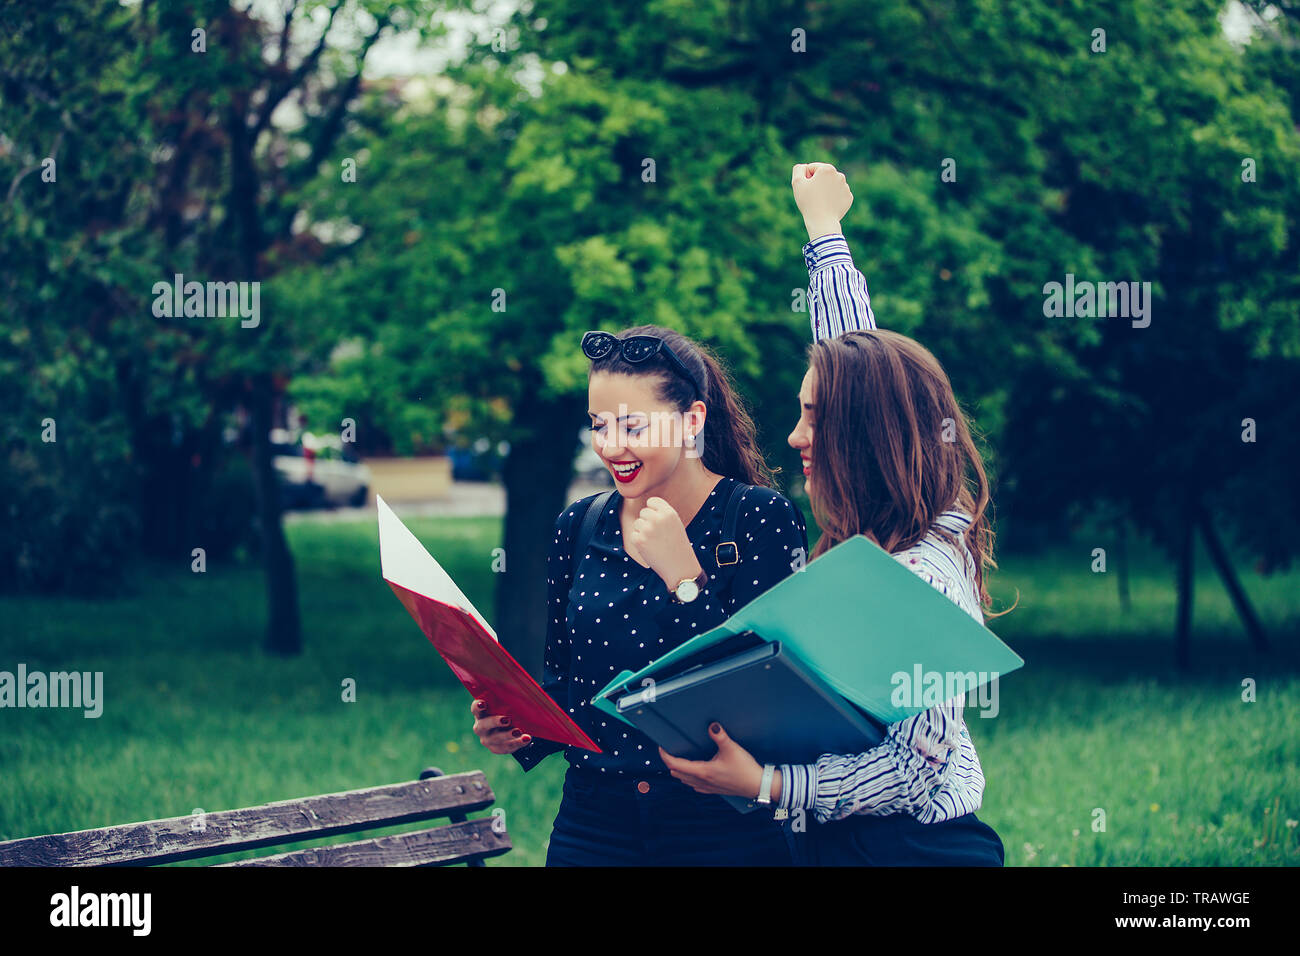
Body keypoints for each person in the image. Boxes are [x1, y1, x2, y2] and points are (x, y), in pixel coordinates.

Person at [659, 162, 1006, 866]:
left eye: (813, 418)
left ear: (862, 437)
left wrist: (767, 785)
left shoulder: (919, 583)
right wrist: (825, 233)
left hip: (911, 851)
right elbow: (862, 363)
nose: (793, 435)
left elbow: (917, 770)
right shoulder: (908, 513)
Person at [471, 323, 809, 866]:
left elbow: (772, 697)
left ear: (691, 421)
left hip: (722, 825)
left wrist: (685, 581)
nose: (611, 447)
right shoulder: (578, 526)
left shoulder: (757, 519)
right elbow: (569, 686)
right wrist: (520, 726)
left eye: (632, 425)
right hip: (593, 823)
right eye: (598, 425)